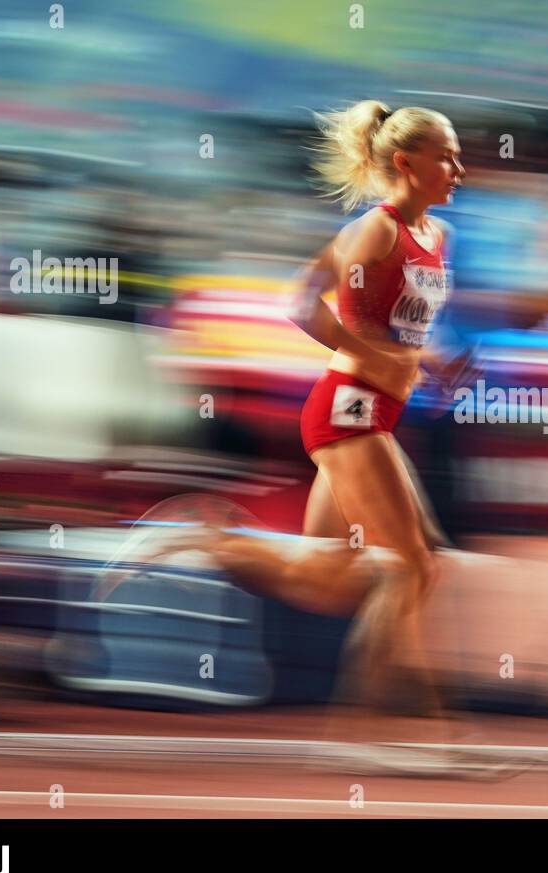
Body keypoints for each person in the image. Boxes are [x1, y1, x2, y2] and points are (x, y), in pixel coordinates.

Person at [153, 101, 475, 756]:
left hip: (376, 412)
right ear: (407, 164)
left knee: (329, 571)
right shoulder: (374, 232)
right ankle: (379, 733)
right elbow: (300, 303)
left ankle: (203, 535)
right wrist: (385, 359)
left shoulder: (437, 238)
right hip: (346, 411)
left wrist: (432, 360)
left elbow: (401, 327)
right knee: (412, 565)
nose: (459, 169)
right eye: (447, 156)